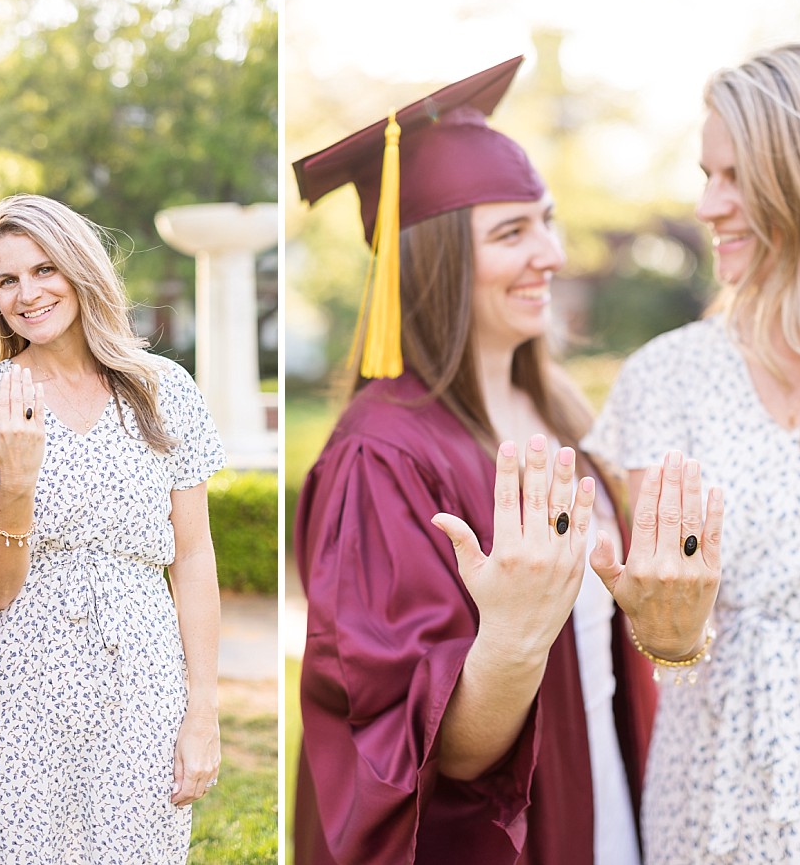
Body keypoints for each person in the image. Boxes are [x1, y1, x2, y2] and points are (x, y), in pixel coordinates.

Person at [291, 57, 723, 865]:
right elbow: (425, 753)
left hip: (604, 792)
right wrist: (516, 634)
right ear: (438, 259)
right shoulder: (380, 455)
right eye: (511, 233)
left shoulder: (560, 412)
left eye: (547, 221)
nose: (551, 254)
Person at [585, 41, 800, 864]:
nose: (707, 206)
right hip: (710, 805)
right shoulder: (668, 378)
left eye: (736, 177)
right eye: (705, 175)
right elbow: (667, 636)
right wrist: (672, 636)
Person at [0, 193, 226, 863]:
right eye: (7, 280)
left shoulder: (164, 389)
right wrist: (17, 482)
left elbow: (193, 557)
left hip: (143, 680)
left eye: (44, 269)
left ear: (80, 268)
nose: (28, 294)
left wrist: (203, 710)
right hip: (17, 686)